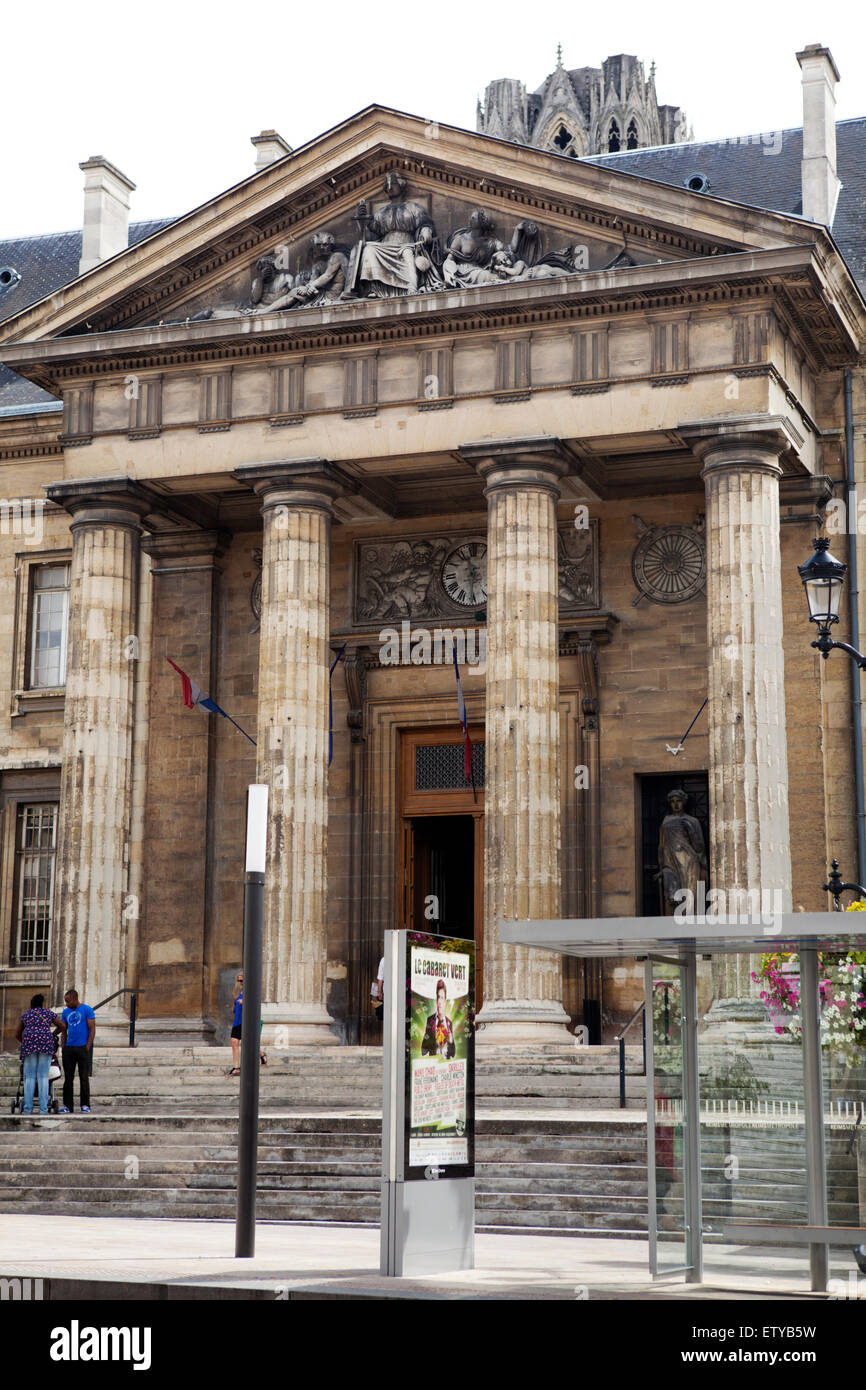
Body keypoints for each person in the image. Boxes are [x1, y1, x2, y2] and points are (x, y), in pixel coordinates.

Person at [15, 994, 61, 1115]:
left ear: (31, 1004)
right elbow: (62, 1025)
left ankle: (28, 1109)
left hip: (29, 1045)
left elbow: (17, 1033)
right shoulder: (48, 1013)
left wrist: (25, 1042)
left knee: (29, 1078)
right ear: (42, 1004)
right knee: (43, 1077)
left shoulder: (26, 1015)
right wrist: (51, 1035)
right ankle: (43, 1109)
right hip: (46, 1044)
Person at [58, 989, 95, 1114]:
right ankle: (68, 1106)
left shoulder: (87, 1010)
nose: (66, 1004)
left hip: (82, 1047)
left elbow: (92, 1029)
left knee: (83, 1077)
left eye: (68, 1001)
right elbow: (63, 1030)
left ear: (75, 999)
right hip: (69, 1048)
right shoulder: (65, 1012)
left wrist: (87, 1046)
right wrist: (63, 1046)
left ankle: (85, 1104)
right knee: (68, 1078)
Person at [227, 972, 266, 1078]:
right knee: (234, 1042)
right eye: (239, 980)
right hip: (237, 1021)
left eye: (242, 980)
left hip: (247, 1021)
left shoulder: (252, 991)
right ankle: (236, 1067)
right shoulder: (240, 991)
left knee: (249, 1043)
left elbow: (255, 1003)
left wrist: (244, 1002)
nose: (240, 983)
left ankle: (262, 1054)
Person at [421, 979, 456, 1059]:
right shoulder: (430, 1020)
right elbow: (423, 1051)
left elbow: (452, 1054)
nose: (439, 1001)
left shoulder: (449, 1023)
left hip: (445, 1066)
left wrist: (451, 1041)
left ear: (445, 1001)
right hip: (433, 1065)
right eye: (438, 997)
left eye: (442, 998)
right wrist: (429, 1037)